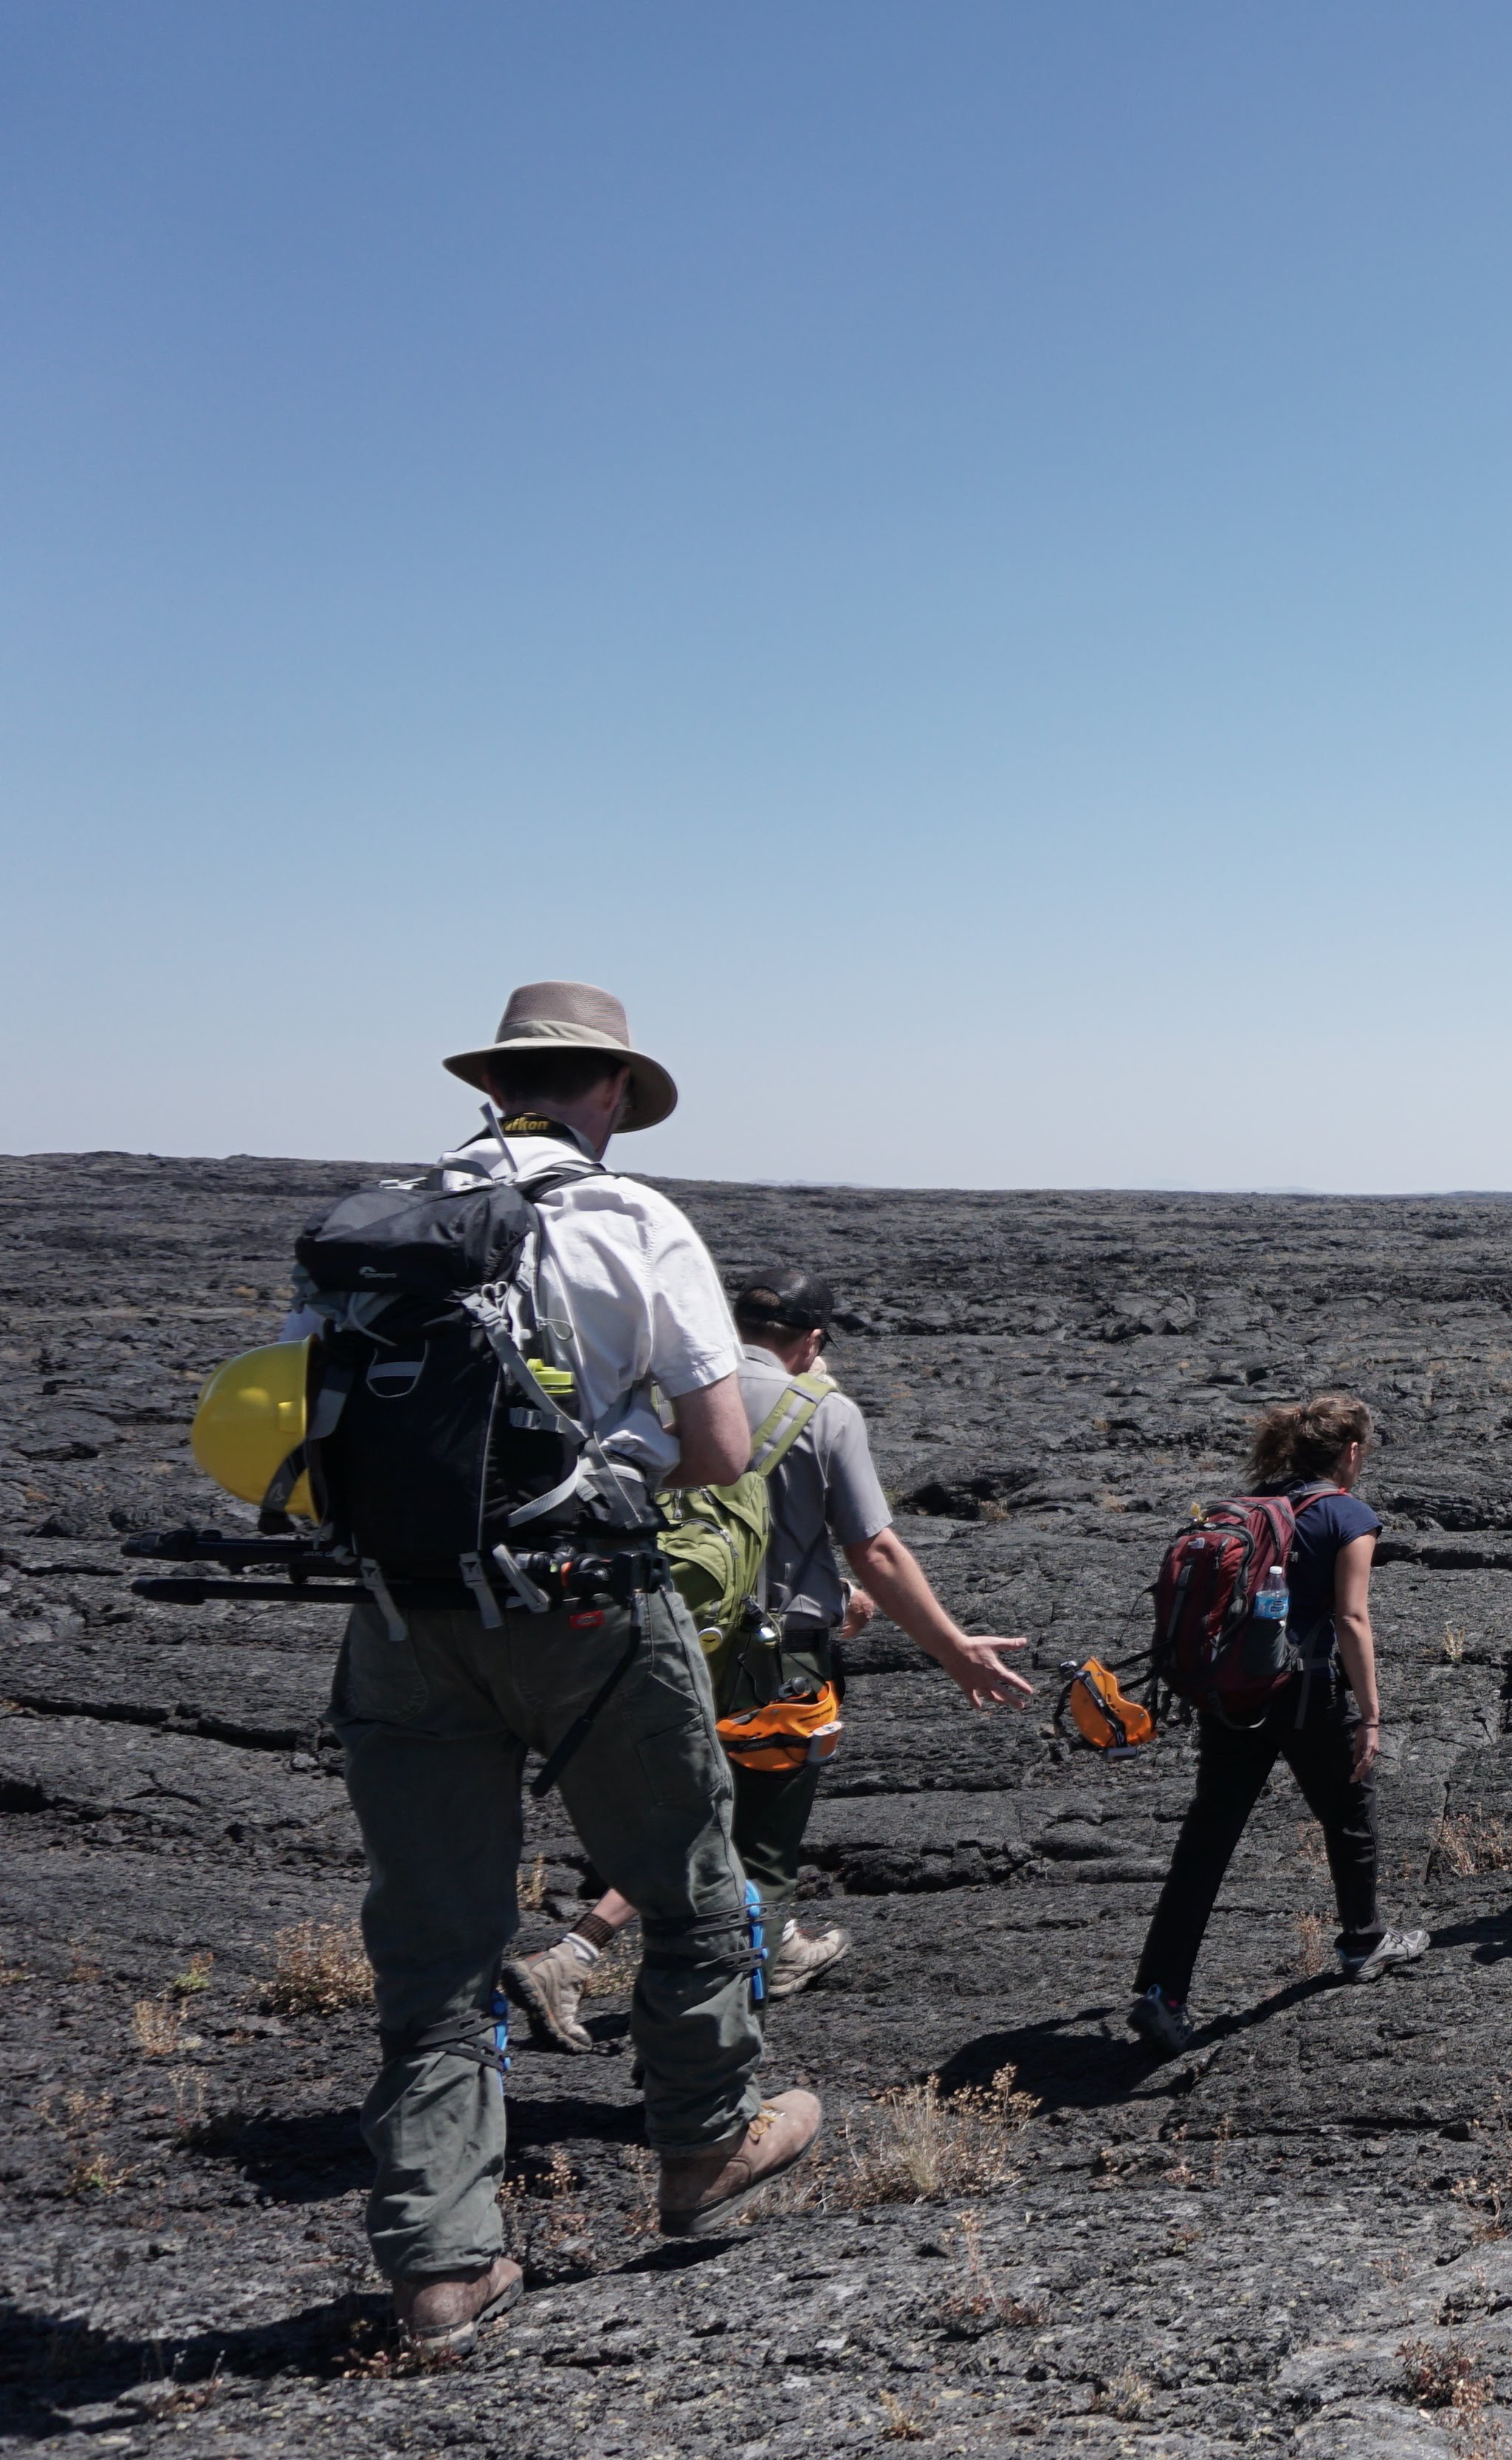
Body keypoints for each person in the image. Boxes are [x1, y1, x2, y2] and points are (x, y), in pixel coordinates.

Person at [320, 983, 819, 2345]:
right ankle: (707, 2143)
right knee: (689, 1881)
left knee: (432, 1946)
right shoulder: (631, 1217)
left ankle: (440, 2263)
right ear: (606, 1091)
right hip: (586, 1606)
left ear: (498, 1088)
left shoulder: (391, 1220)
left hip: (405, 1618)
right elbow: (719, 1450)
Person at [501, 1267, 1033, 2049]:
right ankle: (697, 2062)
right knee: (758, 1858)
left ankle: (580, 1956)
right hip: (778, 1668)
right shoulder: (824, 1410)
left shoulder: (658, 1395)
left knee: (693, 1818)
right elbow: (877, 1548)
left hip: (658, 1641)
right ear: (812, 1341)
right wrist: (952, 1648)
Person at [1128, 1391, 1418, 2055]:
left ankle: (1160, 1993)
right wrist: (1371, 1713)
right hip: (1309, 1693)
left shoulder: (1256, 1506)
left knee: (1207, 1838)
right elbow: (1351, 1619)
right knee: (1349, 1812)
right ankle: (1363, 1942)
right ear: (1351, 1453)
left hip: (1235, 1693)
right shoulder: (1349, 1515)